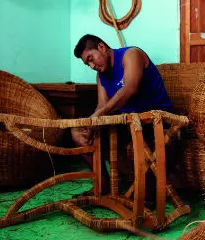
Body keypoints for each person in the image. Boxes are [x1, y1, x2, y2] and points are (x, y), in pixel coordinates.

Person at [70, 34, 174, 194]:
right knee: (78, 133)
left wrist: (98, 115)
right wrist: (91, 124)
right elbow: (102, 105)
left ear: (102, 47)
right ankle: (102, 183)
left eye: (91, 59)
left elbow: (129, 88)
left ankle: (149, 193)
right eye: (87, 64)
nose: (91, 66)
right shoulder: (101, 76)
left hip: (156, 121)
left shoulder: (131, 55)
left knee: (146, 198)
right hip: (128, 124)